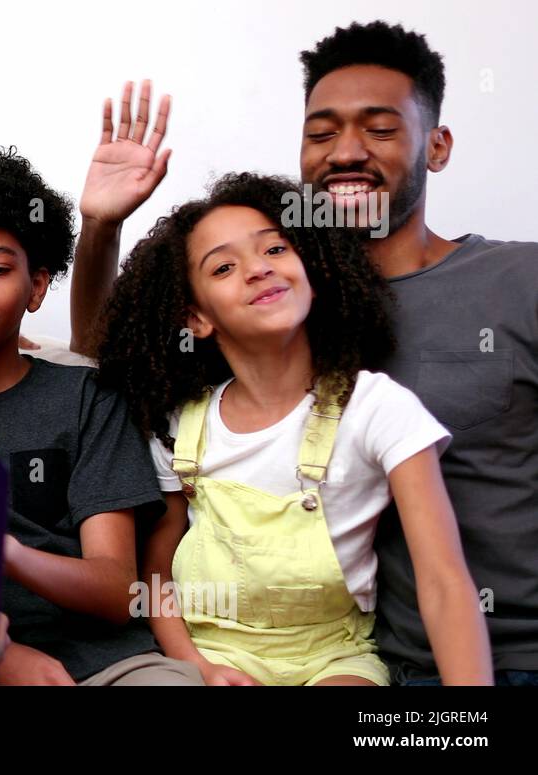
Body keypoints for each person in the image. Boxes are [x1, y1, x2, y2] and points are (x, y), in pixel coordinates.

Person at [70, 21, 538, 686]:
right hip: (393, 663)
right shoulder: (268, 321)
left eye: (380, 128)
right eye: (321, 133)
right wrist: (100, 226)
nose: (346, 151)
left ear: (437, 146)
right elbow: (109, 366)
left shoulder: (518, 281)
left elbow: (444, 580)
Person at [95, 172, 491, 685]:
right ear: (196, 319)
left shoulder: (376, 408)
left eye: (275, 249)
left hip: (333, 658)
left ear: (313, 272)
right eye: (223, 267)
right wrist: (199, 667)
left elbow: (443, 582)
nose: (258, 269)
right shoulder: (180, 426)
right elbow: (157, 576)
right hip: (209, 654)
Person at [0, 148, 200, 686]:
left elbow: (116, 591)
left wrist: (3, 546)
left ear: (36, 287)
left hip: (108, 664)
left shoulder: (87, 398)